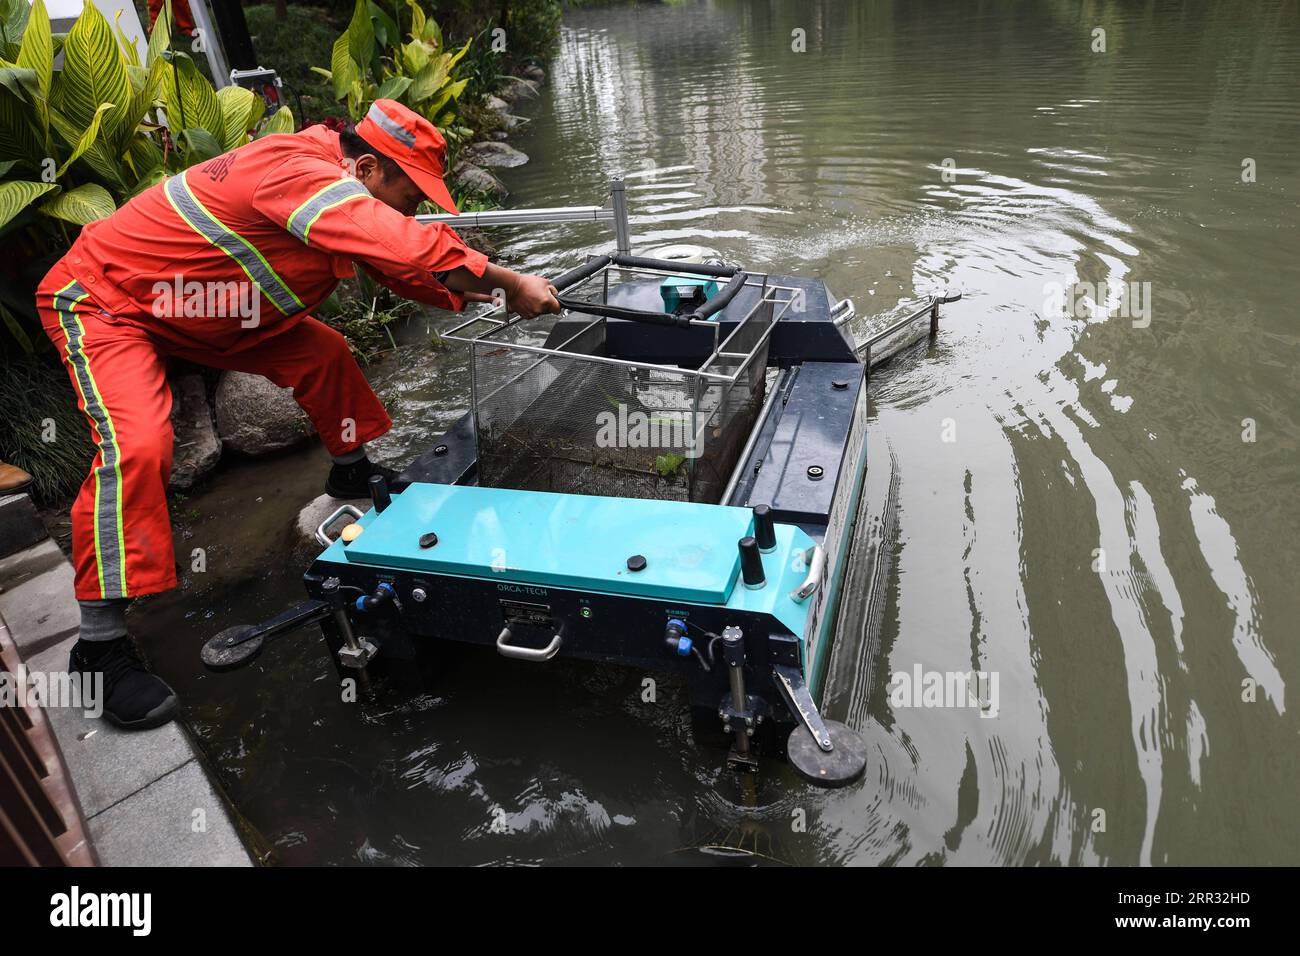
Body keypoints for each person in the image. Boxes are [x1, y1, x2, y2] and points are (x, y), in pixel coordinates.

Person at [35, 99, 561, 729]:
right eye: (412, 196)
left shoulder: (336, 185)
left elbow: (397, 260)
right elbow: (393, 237)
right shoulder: (296, 173)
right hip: (107, 303)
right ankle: (98, 647)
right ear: (366, 169)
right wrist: (506, 279)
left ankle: (348, 473)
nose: (414, 211)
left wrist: (472, 288)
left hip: (204, 311)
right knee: (139, 445)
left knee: (324, 352)